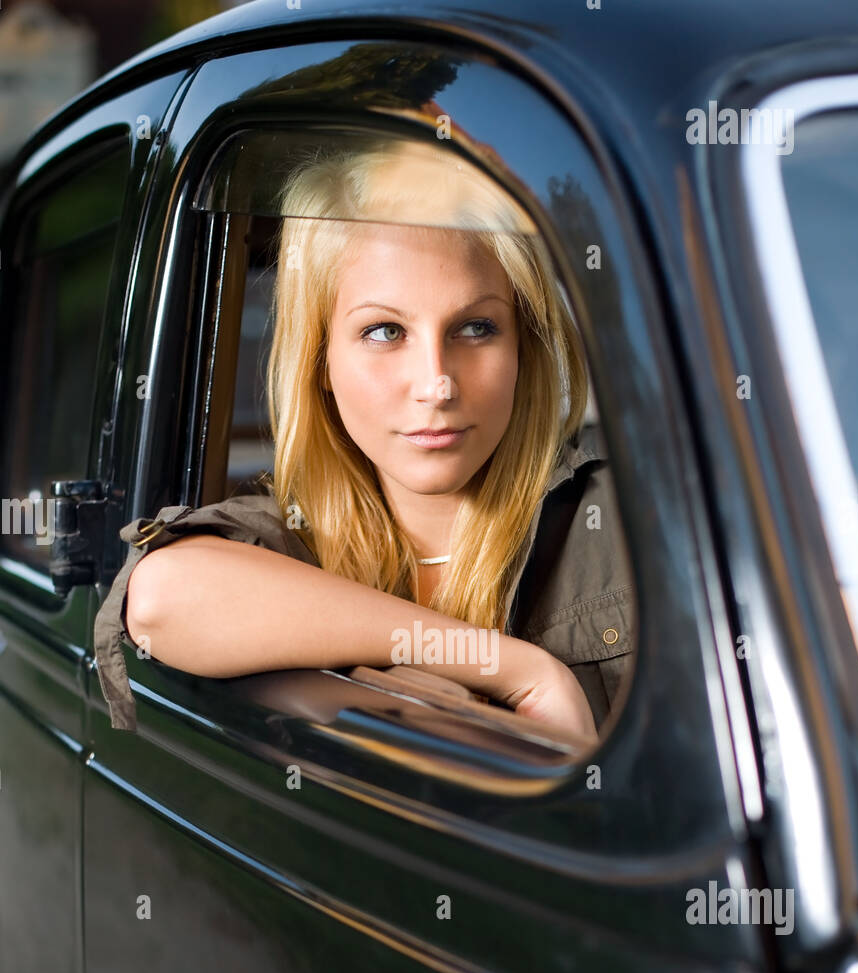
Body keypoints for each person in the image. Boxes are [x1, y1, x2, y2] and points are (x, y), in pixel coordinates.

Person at [94, 137, 634, 740]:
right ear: (320, 361)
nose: (437, 384)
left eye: (476, 327)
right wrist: (519, 671)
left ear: (521, 349)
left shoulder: (624, 519)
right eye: (384, 331)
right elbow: (161, 600)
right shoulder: (295, 541)